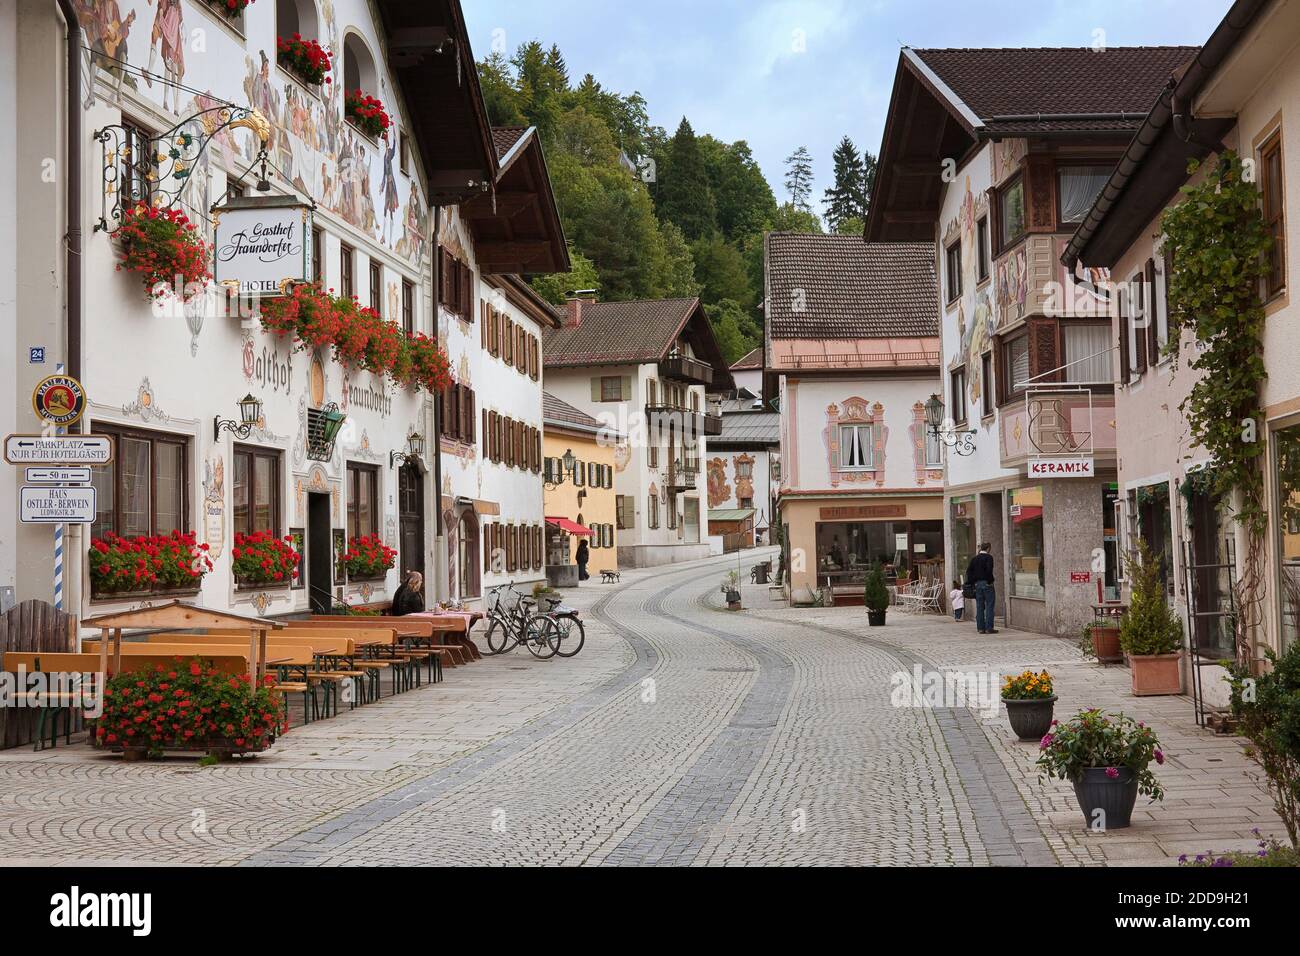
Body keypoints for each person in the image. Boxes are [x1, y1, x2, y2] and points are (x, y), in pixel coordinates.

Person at [965, 543, 998, 634]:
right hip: (987, 584)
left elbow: (969, 572)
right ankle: (989, 628)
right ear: (988, 548)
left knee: (979, 606)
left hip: (977, 584)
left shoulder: (974, 559)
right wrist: (990, 581)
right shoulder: (989, 557)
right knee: (989, 606)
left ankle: (980, 628)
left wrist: (973, 582)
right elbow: (989, 570)